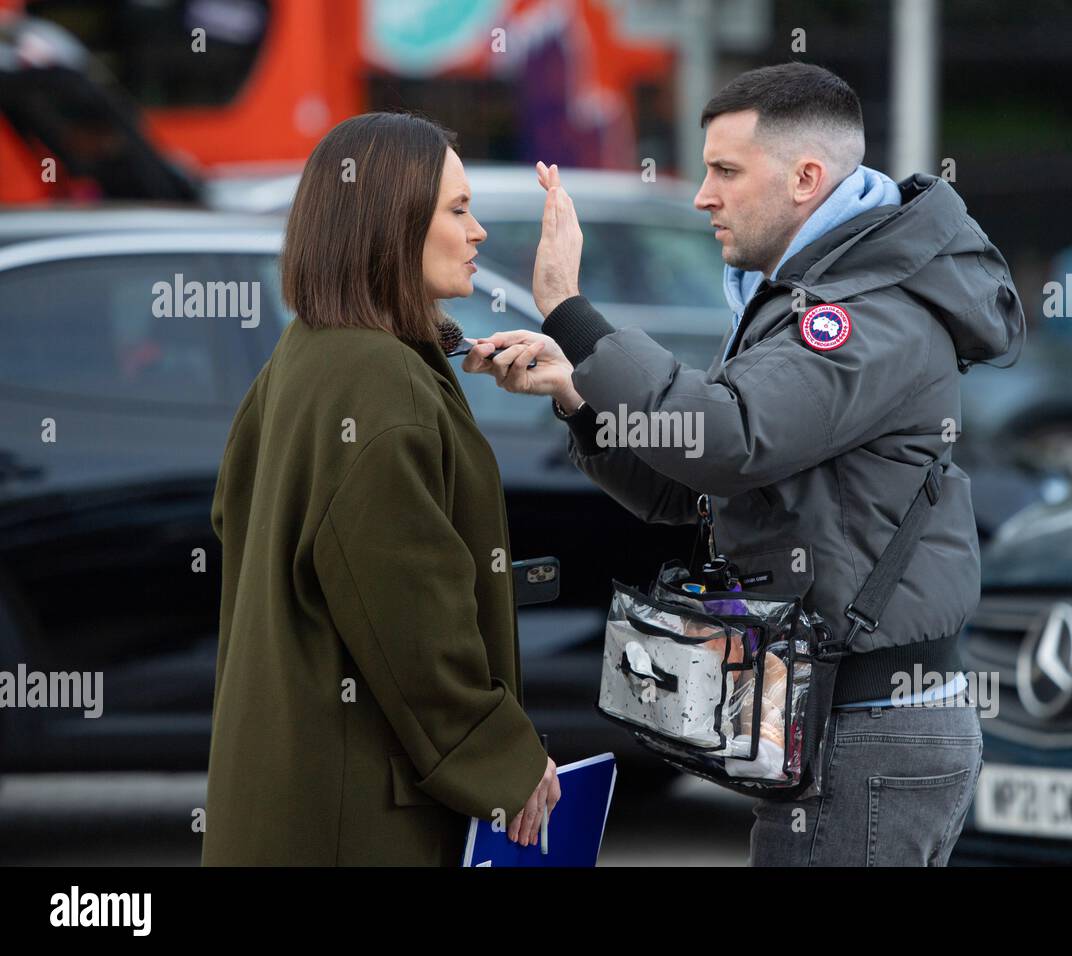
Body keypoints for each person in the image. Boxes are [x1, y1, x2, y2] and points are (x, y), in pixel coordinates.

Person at [465, 63, 1024, 866]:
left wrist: (574, 317)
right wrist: (575, 392)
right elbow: (684, 485)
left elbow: (730, 439)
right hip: (833, 722)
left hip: (863, 728)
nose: (702, 195)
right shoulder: (810, 294)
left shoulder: (869, 313)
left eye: (726, 170)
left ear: (806, 177)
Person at [203, 112, 559, 866]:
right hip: (356, 813)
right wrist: (503, 759)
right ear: (391, 224)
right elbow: (412, 613)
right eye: (458, 211)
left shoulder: (308, 352)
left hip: (290, 792)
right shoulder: (377, 377)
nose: (479, 232)